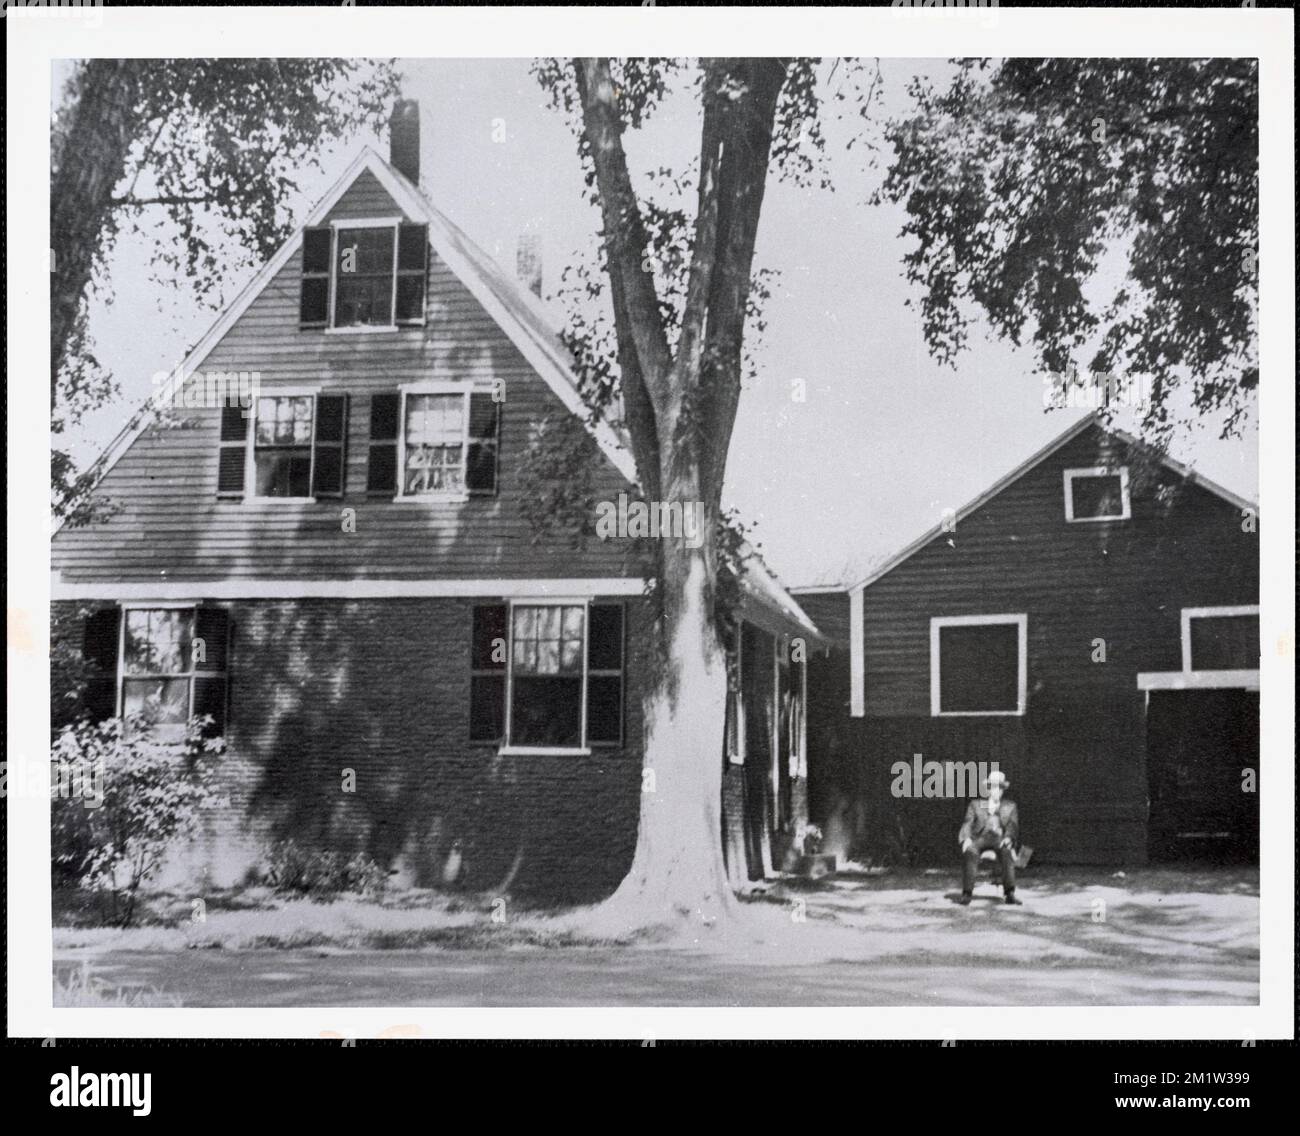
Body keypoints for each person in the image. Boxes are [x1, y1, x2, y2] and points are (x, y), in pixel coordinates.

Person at [957, 770, 1022, 905]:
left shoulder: (1010, 806)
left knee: (1007, 851)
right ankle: (966, 893)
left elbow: (1012, 826)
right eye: (993, 787)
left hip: (999, 838)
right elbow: (968, 822)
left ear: (1003, 789)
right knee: (970, 850)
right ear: (988, 789)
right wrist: (966, 838)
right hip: (980, 838)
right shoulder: (976, 804)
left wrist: (1009, 837)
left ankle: (1010, 893)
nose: (997, 791)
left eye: (1000, 788)